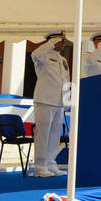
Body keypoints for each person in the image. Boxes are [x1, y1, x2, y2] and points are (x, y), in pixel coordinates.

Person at [31, 31, 69, 177]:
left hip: (58, 101)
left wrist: (67, 100)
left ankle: (51, 163)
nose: (64, 44)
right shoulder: (42, 55)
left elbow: (66, 79)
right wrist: (50, 43)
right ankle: (40, 166)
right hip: (45, 100)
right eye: (61, 41)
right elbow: (34, 54)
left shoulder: (62, 59)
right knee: (43, 134)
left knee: (55, 134)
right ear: (53, 41)